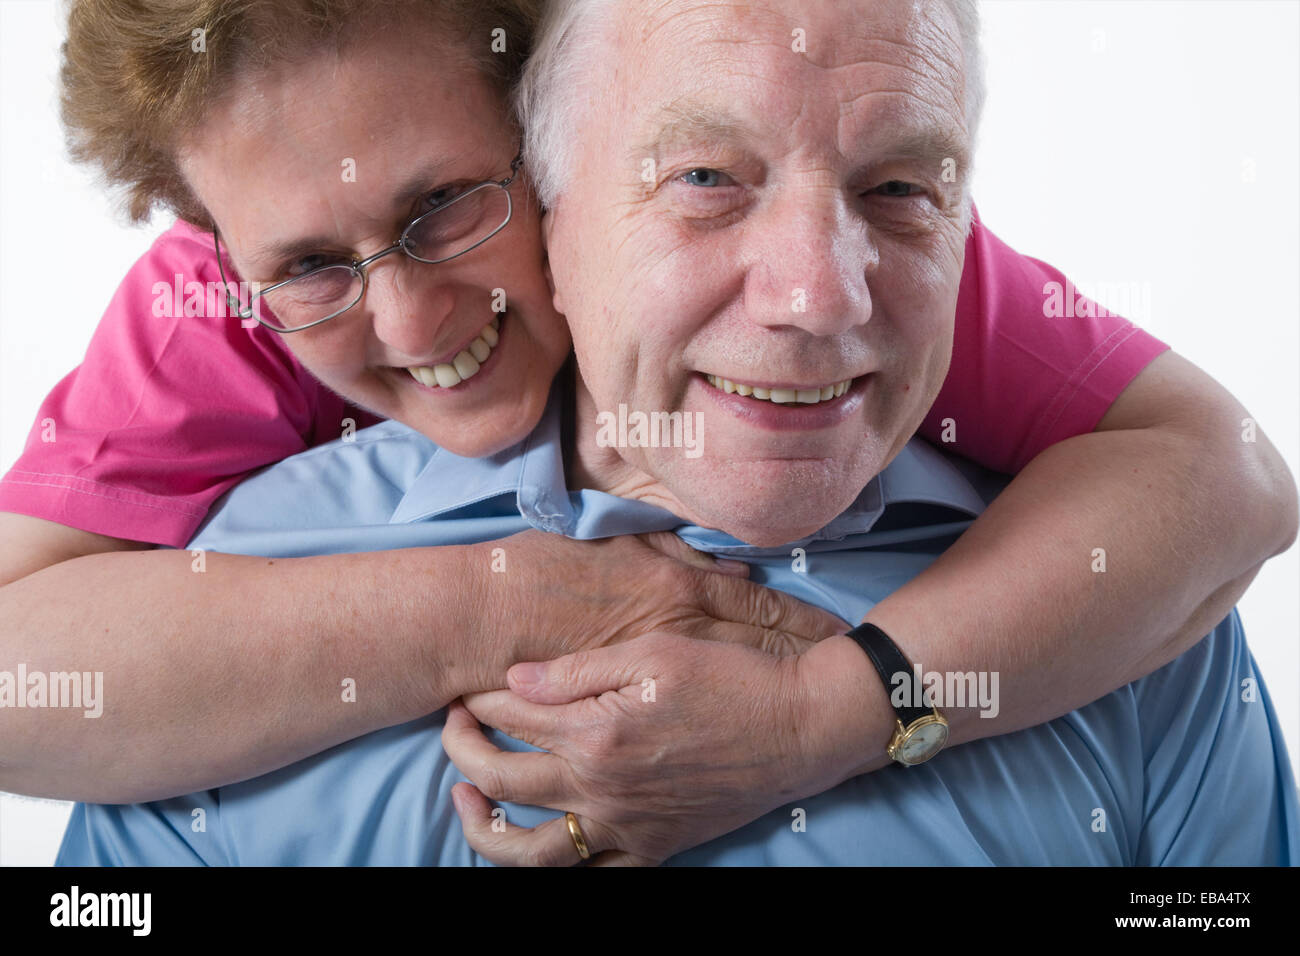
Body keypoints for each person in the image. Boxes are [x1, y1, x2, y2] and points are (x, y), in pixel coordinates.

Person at [56, 0, 1299, 866]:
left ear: (544, 166)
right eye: (312, 264)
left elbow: (1225, 475)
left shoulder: (892, 268)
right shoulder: (211, 321)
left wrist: (817, 714)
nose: (408, 312)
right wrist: (527, 601)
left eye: (446, 207)